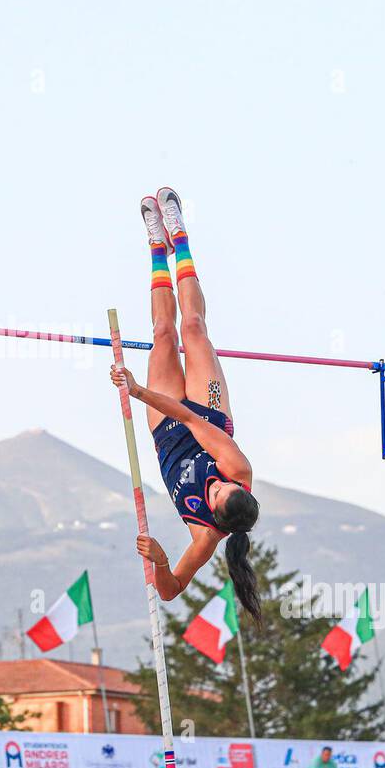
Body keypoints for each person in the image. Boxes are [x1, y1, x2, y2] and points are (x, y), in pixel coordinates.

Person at [109, 188, 263, 626]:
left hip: (166, 433)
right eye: (226, 486)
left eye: (215, 493)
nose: (217, 484)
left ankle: (154, 245)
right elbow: (192, 417)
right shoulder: (238, 469)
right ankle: (179, 238)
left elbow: (172, 589)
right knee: (192, 329)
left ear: (215, 516)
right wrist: (136, 392)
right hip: (203, 413)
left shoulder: (204, 536)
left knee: (162, 334)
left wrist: (159, 561)